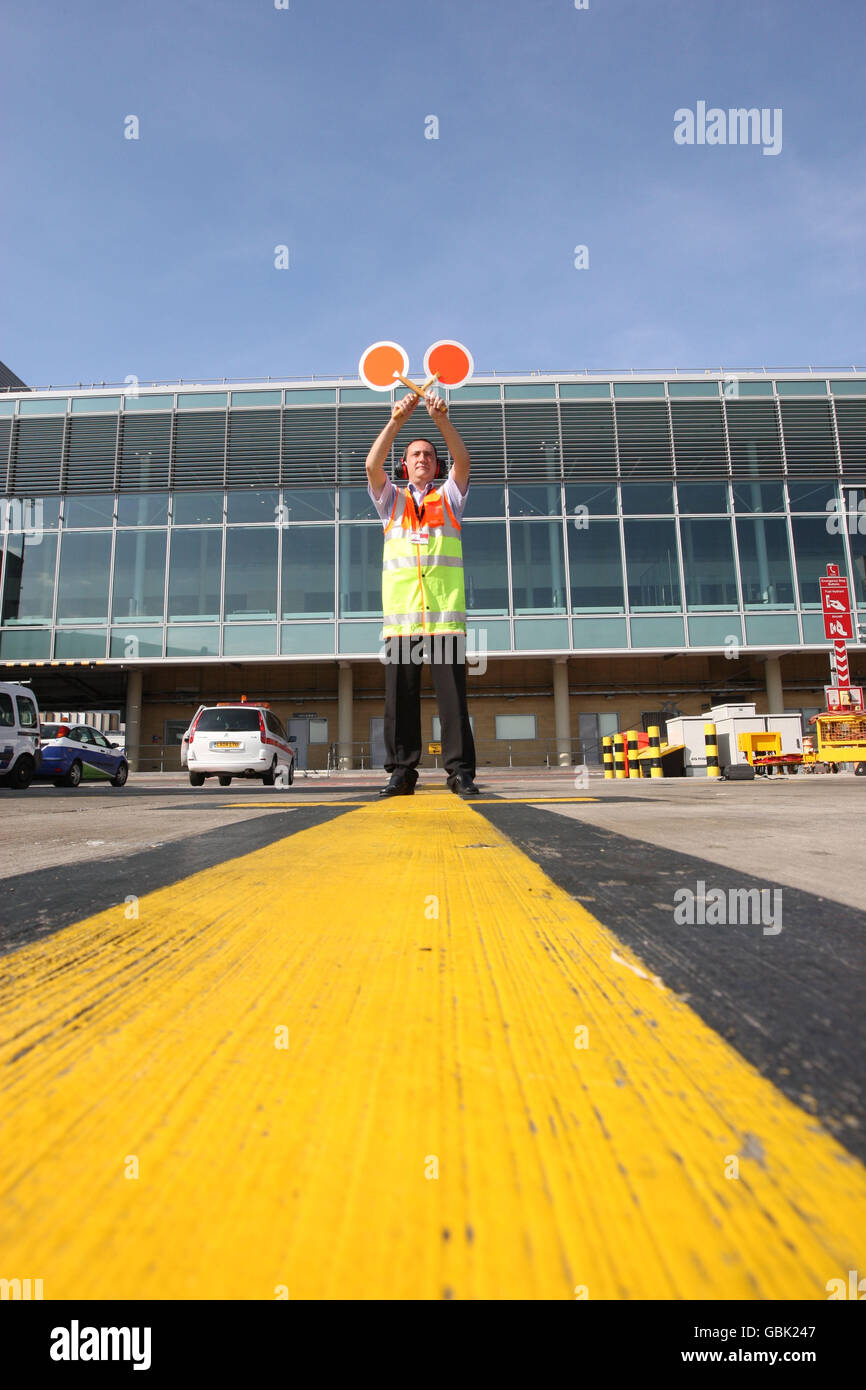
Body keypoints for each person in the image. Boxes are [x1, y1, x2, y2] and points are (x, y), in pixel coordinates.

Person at [365, 387, 479, 798]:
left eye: (429, 455)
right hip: (402, 619)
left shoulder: (449, 497)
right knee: (400, 700)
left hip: (445, 614)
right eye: (415, 455)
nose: (422, 459)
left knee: (453, 701)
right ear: (404, 463)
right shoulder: (390, 501)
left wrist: (440, 420)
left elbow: (463, 461)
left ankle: (460, 772)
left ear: (436, 465)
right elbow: (370, 464)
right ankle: (401, 772)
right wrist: (396, 420)